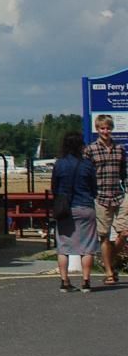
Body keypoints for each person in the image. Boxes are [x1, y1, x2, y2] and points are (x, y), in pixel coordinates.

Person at [51, 130, 99, 292]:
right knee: (87, 247)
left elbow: (54, 188)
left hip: (65, 208)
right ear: (81, 145)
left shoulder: (59, 164)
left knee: (63, 247)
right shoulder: (87, 164)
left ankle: (64, 282)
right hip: (85, 206)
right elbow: (94, 189)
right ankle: (86, 281)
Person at [85, 114, 123, 286]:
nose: (105, 131)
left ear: (112, 128)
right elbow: (86, 174)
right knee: (104, 235)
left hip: (119, 194)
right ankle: (109, 271)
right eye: (102, 128)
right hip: (100, 195)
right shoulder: (90, 149)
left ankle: (109, 260)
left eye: (108, 128)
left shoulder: (120, 149)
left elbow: (124, 172)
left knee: (124, 233)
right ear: (97, 129)